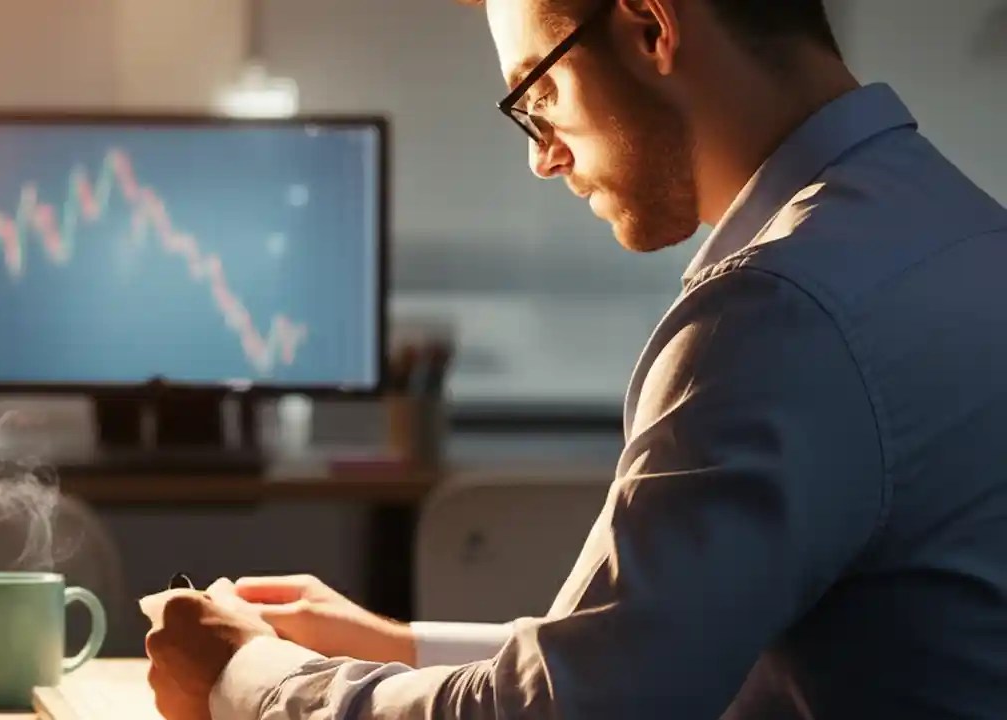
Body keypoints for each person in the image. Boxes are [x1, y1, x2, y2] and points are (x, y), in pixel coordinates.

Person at [142, 0, 1007, 717]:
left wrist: (244, 679)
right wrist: (394, 644)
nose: (541, 156)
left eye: (540, 91)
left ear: (649, 27)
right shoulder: (954, 230)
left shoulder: (782, 309)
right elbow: (693, 655)